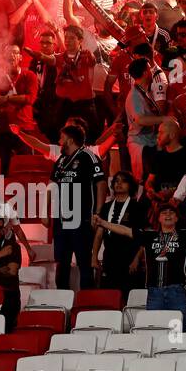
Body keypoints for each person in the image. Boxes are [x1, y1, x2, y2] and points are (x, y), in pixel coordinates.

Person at [93, 201, 186, 326]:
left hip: (177, 292)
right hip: (154, 292)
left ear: (176, 218)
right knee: (155, 329)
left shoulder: (184, 235)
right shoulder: (149, 236)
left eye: (171, 212)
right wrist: (103, 223)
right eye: (164, 213)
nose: (168, 215)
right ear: (159, 218)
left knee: (178, 333)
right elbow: (125, 231)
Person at [51, 124, 106, 290]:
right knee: (62, 263)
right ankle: (62, 301)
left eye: (61, 138)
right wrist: (47, 212)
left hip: (81, 219)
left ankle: (86, 302)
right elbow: (52, 185)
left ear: (69, 140)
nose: (59, 142)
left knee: (84, 262)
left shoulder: (89, 156)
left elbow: (101, 184)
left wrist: (97, 213)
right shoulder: (61, 160)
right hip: (61, 220)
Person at [90, 170, 147, 301]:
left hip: (130, 258)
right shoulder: (106, 207)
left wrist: (137, 259)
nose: (119, 184)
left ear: (131, 185)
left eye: (123, 181)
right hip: (109, 257)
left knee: (129, 296)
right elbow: (99, 234)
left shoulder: (137, 207)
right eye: (116, 181)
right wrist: (94, 257)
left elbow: (144, 237)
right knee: (109, 296)